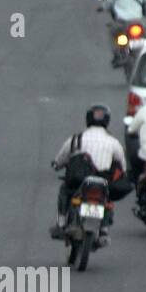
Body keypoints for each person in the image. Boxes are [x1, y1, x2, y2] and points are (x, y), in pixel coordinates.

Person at [49, 104, 127, 243]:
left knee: (64, 190)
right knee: (107, 199)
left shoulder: (76, 139)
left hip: (79, 181)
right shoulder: (114, 142)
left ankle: (61, 223)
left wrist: (56, 165)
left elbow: (60, 159)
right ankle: (104, 229)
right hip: (103, 183)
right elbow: (122, 166)